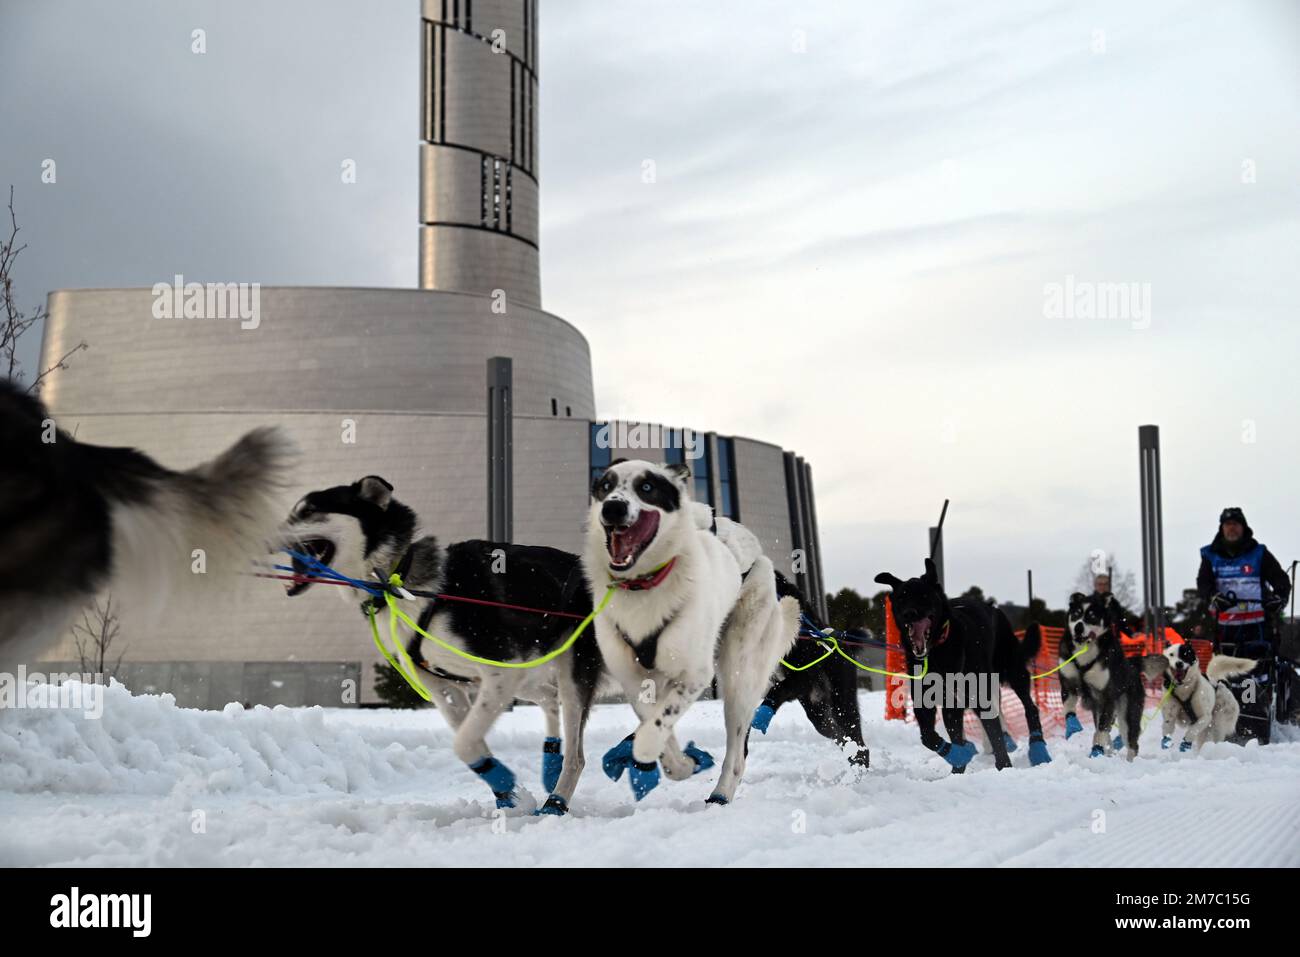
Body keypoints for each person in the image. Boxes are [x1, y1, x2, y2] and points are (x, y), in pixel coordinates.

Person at [1197, 507, 1290, 657]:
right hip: (1225, 627)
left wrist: (1280, 598)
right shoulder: (1210, 555)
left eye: (1236, 524)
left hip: (1258, 625)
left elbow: (1281, 579)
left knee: (1261, 671)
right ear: (1222, 528)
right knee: (1228, 674)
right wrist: (1212, 596)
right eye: (1227, 524)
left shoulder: (1259, 552)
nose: (1232, 528)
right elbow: (1203, 583)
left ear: (1243, 527)